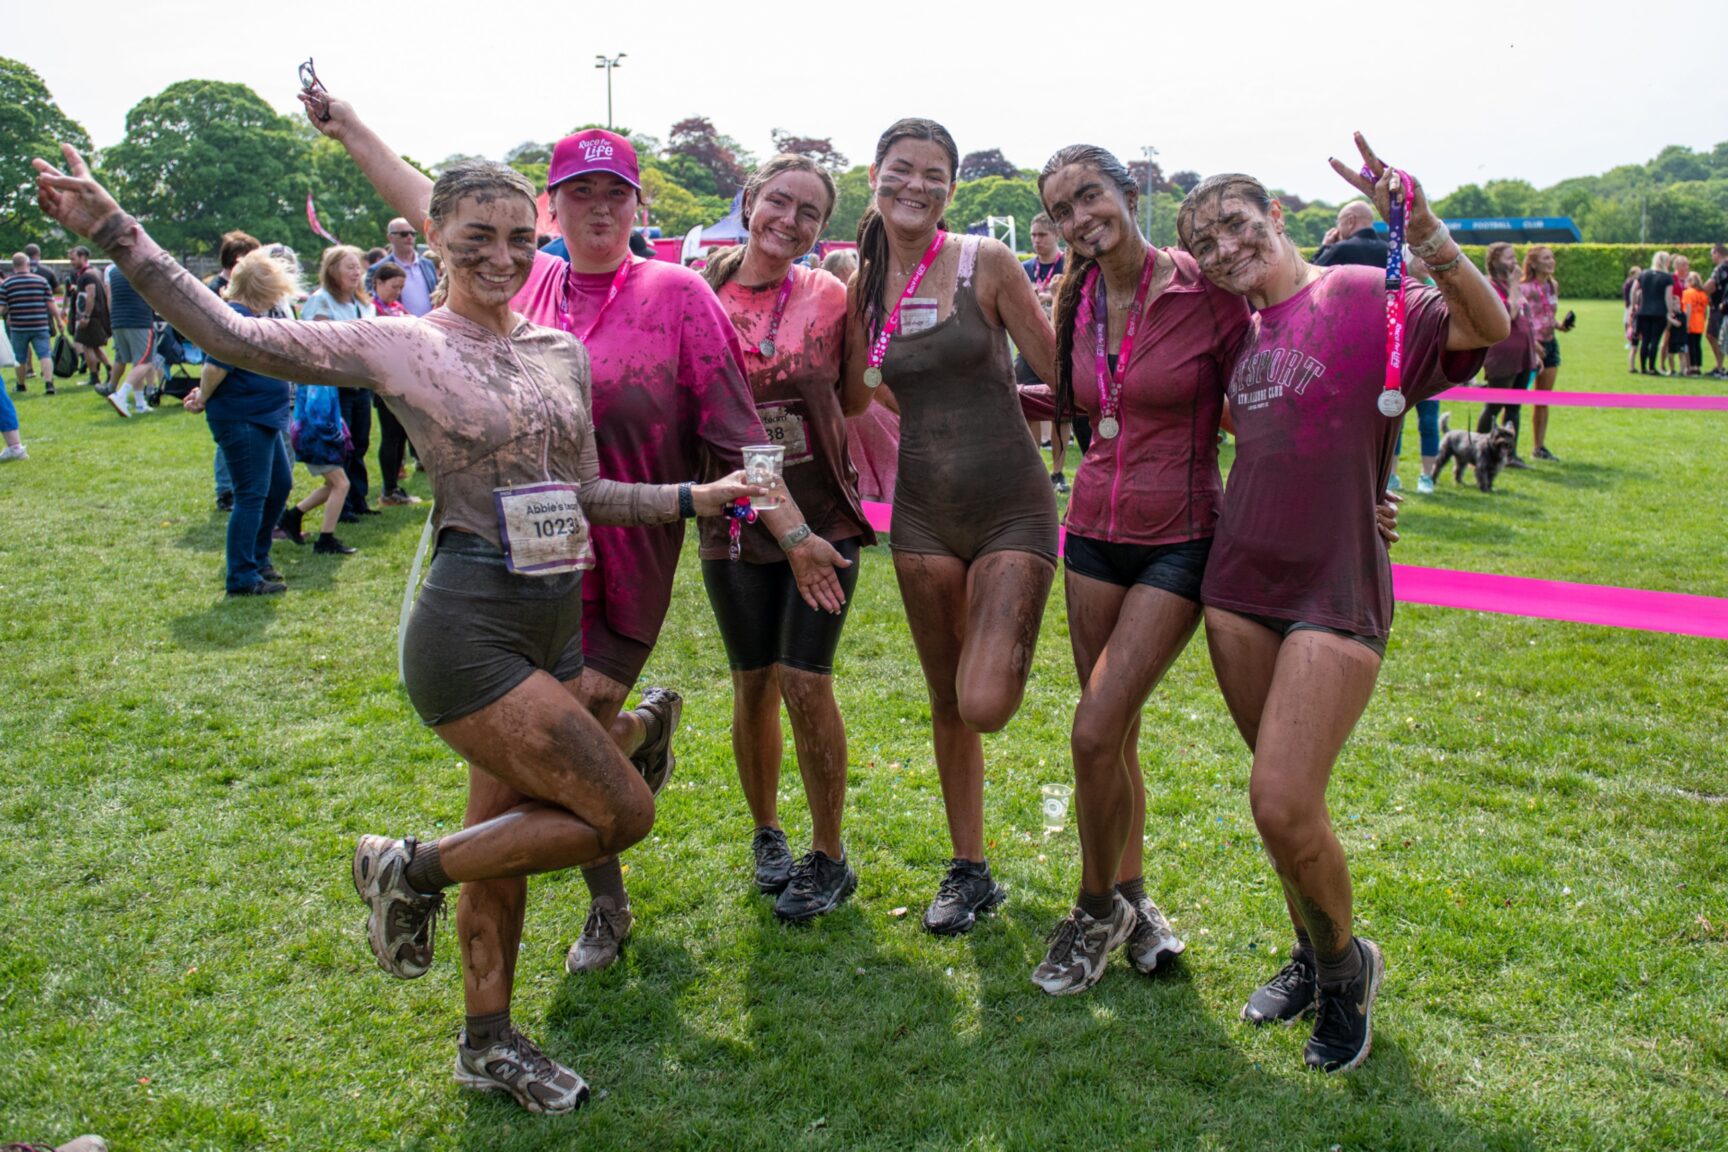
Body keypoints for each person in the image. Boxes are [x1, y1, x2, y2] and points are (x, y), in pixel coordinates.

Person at [37, 144, 768, 1115]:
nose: (501, 257)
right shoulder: (401, 344)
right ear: (435, 238)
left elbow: (582, 490)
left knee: (505, 838)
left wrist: (693, 495)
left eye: (518, 238)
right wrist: (116, 231)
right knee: (622, 813)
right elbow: (233, 330)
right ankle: (405, 867)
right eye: (476, 239)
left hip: (555, 620)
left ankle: (486, 1042)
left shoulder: (560, 351)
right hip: (470, 631)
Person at [300, 89, 850, 971]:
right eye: (578, 193)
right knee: (544, 758)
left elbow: (742, 437)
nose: (597, 208)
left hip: (628, 557)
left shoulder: (676, 294)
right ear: (552, 205)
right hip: (522, 564)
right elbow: (431, 204)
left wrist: (791, 534)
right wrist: (352, 130)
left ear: (638, 205)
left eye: (615, 193)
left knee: (570, 731)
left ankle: (446, 877)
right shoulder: (525, 275)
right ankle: (611, 887)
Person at [1175, 134, 1507, 1072]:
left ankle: (1347, 965)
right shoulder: (1235, 332)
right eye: (1207, 242)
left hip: (1337, 587)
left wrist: (1427, 227)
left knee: (1279, 803)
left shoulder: (1360, 292)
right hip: (1239, 587)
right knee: (1295, 802)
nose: (1227, 248)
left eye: (1238, 225)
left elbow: (1486, 329)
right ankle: (1312, 955)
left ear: (1276, 217)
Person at [1028, 144, 1250, 993]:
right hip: (1089, 533)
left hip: (1182, 535)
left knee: (1092, 728)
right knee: (1112, 735)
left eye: (1091, 196)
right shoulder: (1074, 295)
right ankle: (1136, 899)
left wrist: (1355, 485)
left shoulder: (1207, 291)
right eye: (1063, 210)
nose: (1081, 219)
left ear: (1128, 192)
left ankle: (1093, 912)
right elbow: (1077, 400)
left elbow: (1268, 393)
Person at [844, 118, 1060, 934]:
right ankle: (969, 869)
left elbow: (1056, 369)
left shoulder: (988, 262)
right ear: (875, 175)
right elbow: (869, 387)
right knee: (945, 699)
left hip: (1011, 504)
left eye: (935, 175)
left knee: (985, 700)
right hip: (922, 514)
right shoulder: (852, 279)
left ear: (952, 188)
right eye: (903, 170)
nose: (917, 186)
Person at [699, 156, 875, 919]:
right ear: (748, 202)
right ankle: (768, 831)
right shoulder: (697, 294)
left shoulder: (831, 296)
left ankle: (829, 852)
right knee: (753, 683)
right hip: (733, 521)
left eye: (809, 212)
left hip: (824, 517)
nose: (790, 220)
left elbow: (860, 393)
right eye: (778, 201)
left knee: (807, 679)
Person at [181, 249, 296, 595]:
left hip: (262, 416)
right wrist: (202, 396)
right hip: (242, 417)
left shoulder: (248, 316)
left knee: (280, 485)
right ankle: (242, 575)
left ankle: (258, 558)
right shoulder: (234, 317)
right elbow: (215, 366)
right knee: (252, 495)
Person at [301, 245, 378, 520]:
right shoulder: (321, 301)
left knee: (360, 441)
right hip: (335, 387)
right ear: (333, 270)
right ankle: (342, 504)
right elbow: (321, 342)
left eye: (358, 266)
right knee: (340, 445)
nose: (356, 272)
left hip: (360, 384)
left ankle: (359, 498)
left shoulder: (362, 304)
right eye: (349, 266)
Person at [1015, 213, 1073, 491]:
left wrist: (1055, 296)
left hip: (1064, 348)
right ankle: (1035, 468)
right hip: (1028, 345)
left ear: (1056, 236)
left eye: (1042, 235)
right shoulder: (1024, 268)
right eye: (1033, 235)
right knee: (1028, 407)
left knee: (1060, 412)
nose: (1036, 241)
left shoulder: (1069, 265)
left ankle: (1058, 473)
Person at [206, 231, 263, 511]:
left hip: (249, 378)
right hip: (229, 374)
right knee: (231, 436)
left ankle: (235, 487)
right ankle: (226, 490)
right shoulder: (217, 291)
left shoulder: (250, 293)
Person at [1476, 243, 1538, 457]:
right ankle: (1479, 449)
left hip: (1523, 355)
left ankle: (1510, 455)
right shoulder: (1490, 286)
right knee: (1494, 406)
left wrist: (1535, 351)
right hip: (1502, 357)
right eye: (1509, 258)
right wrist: (1513, 286)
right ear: (1494, 261)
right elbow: (1508, 315)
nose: (1514, 262)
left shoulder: (1511, 286)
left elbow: (1525, 318)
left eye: (1514, 257)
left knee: (1514, 408)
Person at [369, 263, 421, 504]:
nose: (397, 292)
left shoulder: (396, 307)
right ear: (378, 283)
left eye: (401, 287)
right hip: (385, 381)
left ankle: (394, 487)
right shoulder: (372, 309)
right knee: (390, 434)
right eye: (393, 286)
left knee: (400, 434)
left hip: (404, 379)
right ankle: (388, 490)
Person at [1520, 245, 1570, 461]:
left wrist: (1561, 325)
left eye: (1552, 258)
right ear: (1534, 263)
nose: (1551, 262)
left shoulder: (1552, 285)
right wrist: (1532, 343)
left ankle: (1538, 447)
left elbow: (1547, 315)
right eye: (1546, 258)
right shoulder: (1525, 288)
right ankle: (1503, 446)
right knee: (1513, 398)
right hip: (1530, 346)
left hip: (1551, 344)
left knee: (1543, 399)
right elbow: (1521, 320)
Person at [105, 258, 161, 416]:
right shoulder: (141, 270)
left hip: (118, 321)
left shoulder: (113, 270)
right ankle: (121, 395)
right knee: (145, 362)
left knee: (136, 364)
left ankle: (140, 403)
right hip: (139, 321)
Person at [1, 252, 61, 396]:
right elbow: (51, 303)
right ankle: (49, 384)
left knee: (20, 357)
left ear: (13, 266)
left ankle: (21, 385)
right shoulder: (41, 281)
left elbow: (2, 307)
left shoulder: (7, 283)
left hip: (18, 326)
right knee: (44, 354)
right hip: (40, 324)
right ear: (27, 264)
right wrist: (59, 320)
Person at [66, 245, 112, 387]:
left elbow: (90, 295)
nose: (71, 262)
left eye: (73, 259)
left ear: (83, 257)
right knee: (96, 346)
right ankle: (110, 369)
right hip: (97, 316)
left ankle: (94, 377)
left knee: (87, 346)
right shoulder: (95, 272)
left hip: (91, 317)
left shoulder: (87, 275)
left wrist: (85, 316)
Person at [1633, 253, 1675, 375]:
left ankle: (1642, 367)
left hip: (1644, 310)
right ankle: (1652, 367)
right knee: (1655, 340)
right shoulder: (1667, 278)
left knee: (1645, 340)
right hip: (1659, 311)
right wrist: (1670, 312)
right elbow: (1668, 297)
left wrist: (1634, 305)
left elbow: (1635, 290)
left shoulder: (1644, 274)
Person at [1312, 200, 1386, 267]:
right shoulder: (1390, 250)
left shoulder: (1340, 249)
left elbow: (1311, 275)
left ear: (1351, 221)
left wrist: (1325, 246)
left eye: (1338, 222)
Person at [1664, 256, 1691, 376]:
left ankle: (1687, 367)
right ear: (1677, 266)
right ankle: (1664, 365)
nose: (1687, 267)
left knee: (1685, 342)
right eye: (1684, 265)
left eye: (1687, 265)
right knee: (1667, 340)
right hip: (1673, 310)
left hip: (1684, 312)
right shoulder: (1672, 278)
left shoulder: (1689, 278)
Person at [1681, 272, 1709, 376]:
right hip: (1700, 321)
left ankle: (1692, 366)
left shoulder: (1688, 293)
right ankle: (1697, 366)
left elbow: (1688, 308)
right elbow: (1705, 310)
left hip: (1691, 320)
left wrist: (1687, 323)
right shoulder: (1702, 294)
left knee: (1690, 344)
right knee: (1697, 345)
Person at [1707, 244, 1728, 378]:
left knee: (1714, 335)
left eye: (1712, 254)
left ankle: (1719, 366)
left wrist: (1698, 288)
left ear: (1717, 253)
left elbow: (1710, 286)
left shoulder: (1720, 268)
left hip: (1720, 307)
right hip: (1723, 306)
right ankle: (1719, 365)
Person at [1622, 265, 1642, 374]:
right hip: (1632, 308)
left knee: (1635, 347)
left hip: (1635, 311)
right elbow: (1626, 294)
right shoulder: (1629, 283)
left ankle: (1633, 366)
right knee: (1635, 346)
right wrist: (1630, 305)